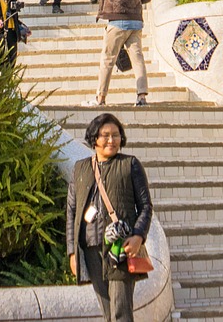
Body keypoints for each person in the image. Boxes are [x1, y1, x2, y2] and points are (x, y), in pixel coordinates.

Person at [66, 112, 153, 322]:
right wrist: (72, 252)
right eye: (105, 135)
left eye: (116, 135)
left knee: (121, 312)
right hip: (91, 248)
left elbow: (146, 206)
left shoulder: (130, 164)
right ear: (94, 138)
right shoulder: (80, 168)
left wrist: (139, 235)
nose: (111, 140)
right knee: (107, 313)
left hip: (119, 248)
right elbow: (71, 211)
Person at [82, 0, 150, 107]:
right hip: (135, 21)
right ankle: (141, 97)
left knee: (107, 60)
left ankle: (100, 98)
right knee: (138, 59)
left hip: (118, 21)